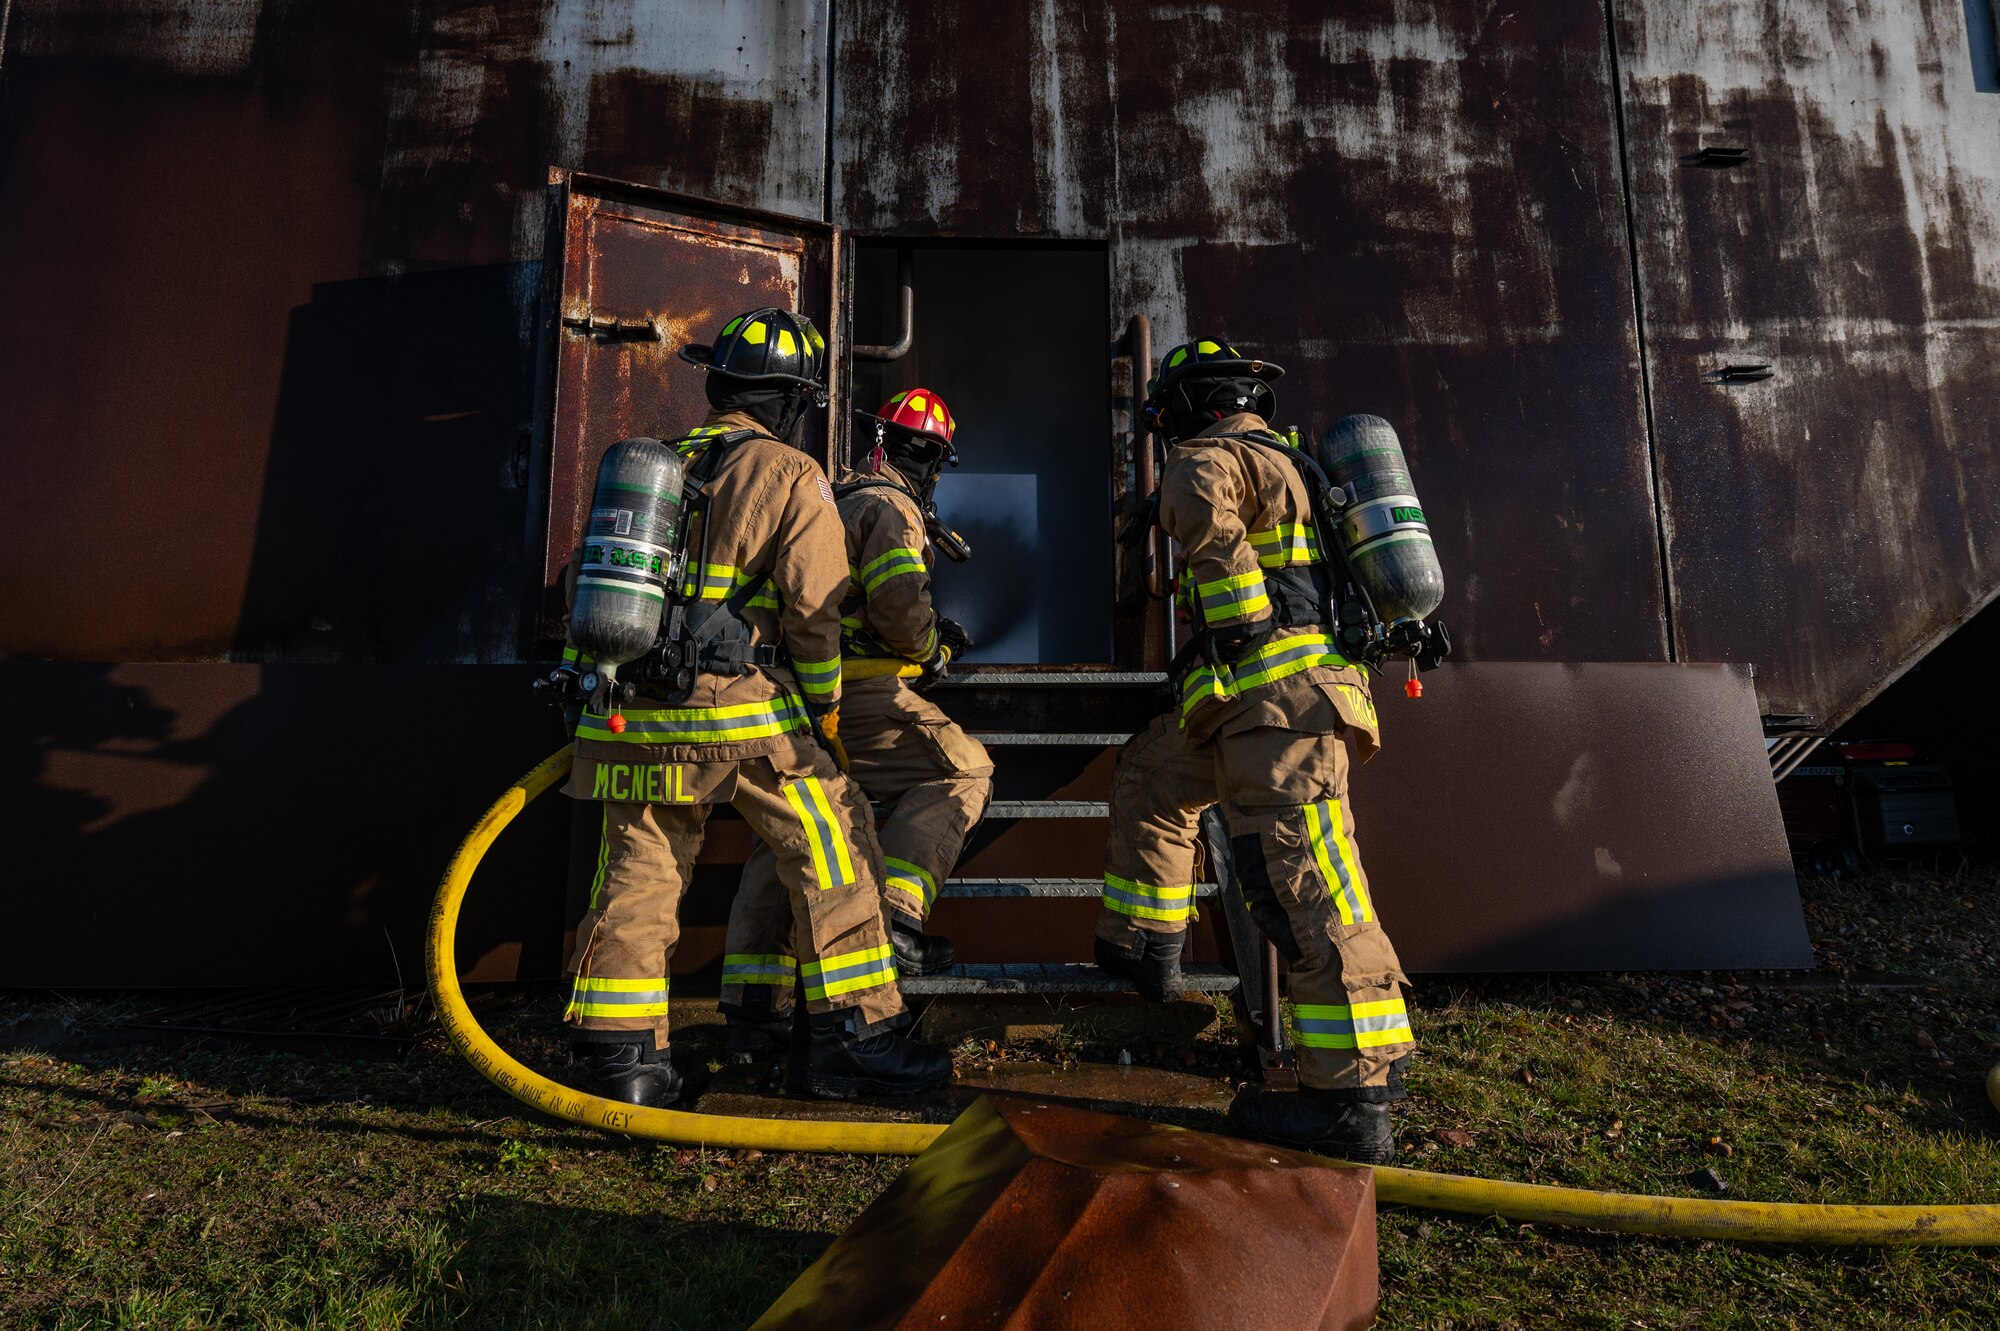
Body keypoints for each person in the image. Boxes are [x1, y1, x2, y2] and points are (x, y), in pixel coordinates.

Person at [559, 307, 951, 1104]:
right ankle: (857, 1040)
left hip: (629, 709)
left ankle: (620, 1055)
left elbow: (587, 584)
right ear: (790, 401)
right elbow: (814, 611)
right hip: (737, 715)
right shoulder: (790, 473)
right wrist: (828, 714)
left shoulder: (657, 465)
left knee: (640, 869)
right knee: (835, 844)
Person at [1093, 337, 1415, 1163]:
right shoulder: (1291, 466)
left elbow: (1223, 564)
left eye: (1167, 423)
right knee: (1152, 774)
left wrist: (1233, 619)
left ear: (1190, 410)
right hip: (1257, 711)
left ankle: (1350, 1097)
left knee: (1309, 893)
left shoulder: (1206, 459)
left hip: (1275, 711)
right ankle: (1148, 943)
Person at [719, 388, 993, 1060]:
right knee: (963, 769)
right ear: (928, 459)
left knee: (786, 839)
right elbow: (900, 608)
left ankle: (755, 1008)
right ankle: (895, 917)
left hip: (782, 690)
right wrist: (935, 649)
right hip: (860, 691)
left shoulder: (826, 494)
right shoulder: (890, 505)